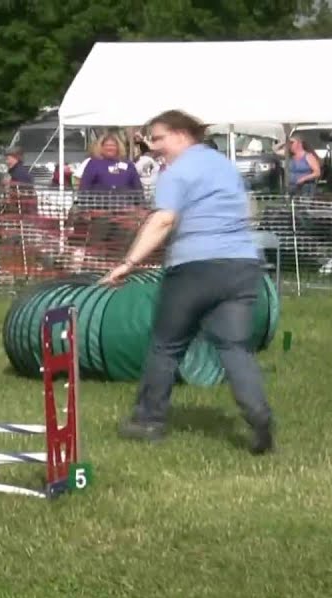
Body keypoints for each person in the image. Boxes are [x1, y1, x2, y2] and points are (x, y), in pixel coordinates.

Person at [98, 109, 274, 454]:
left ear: (181, 134)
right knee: (234, 347)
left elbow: (163, 220)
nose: (154, 147)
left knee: (167, 345)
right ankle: (259, 415)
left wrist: (128, 263)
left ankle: (148, 420)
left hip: (195, 268)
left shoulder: (177, 172)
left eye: (159, 138)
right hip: (241, 265)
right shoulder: (224, 166)